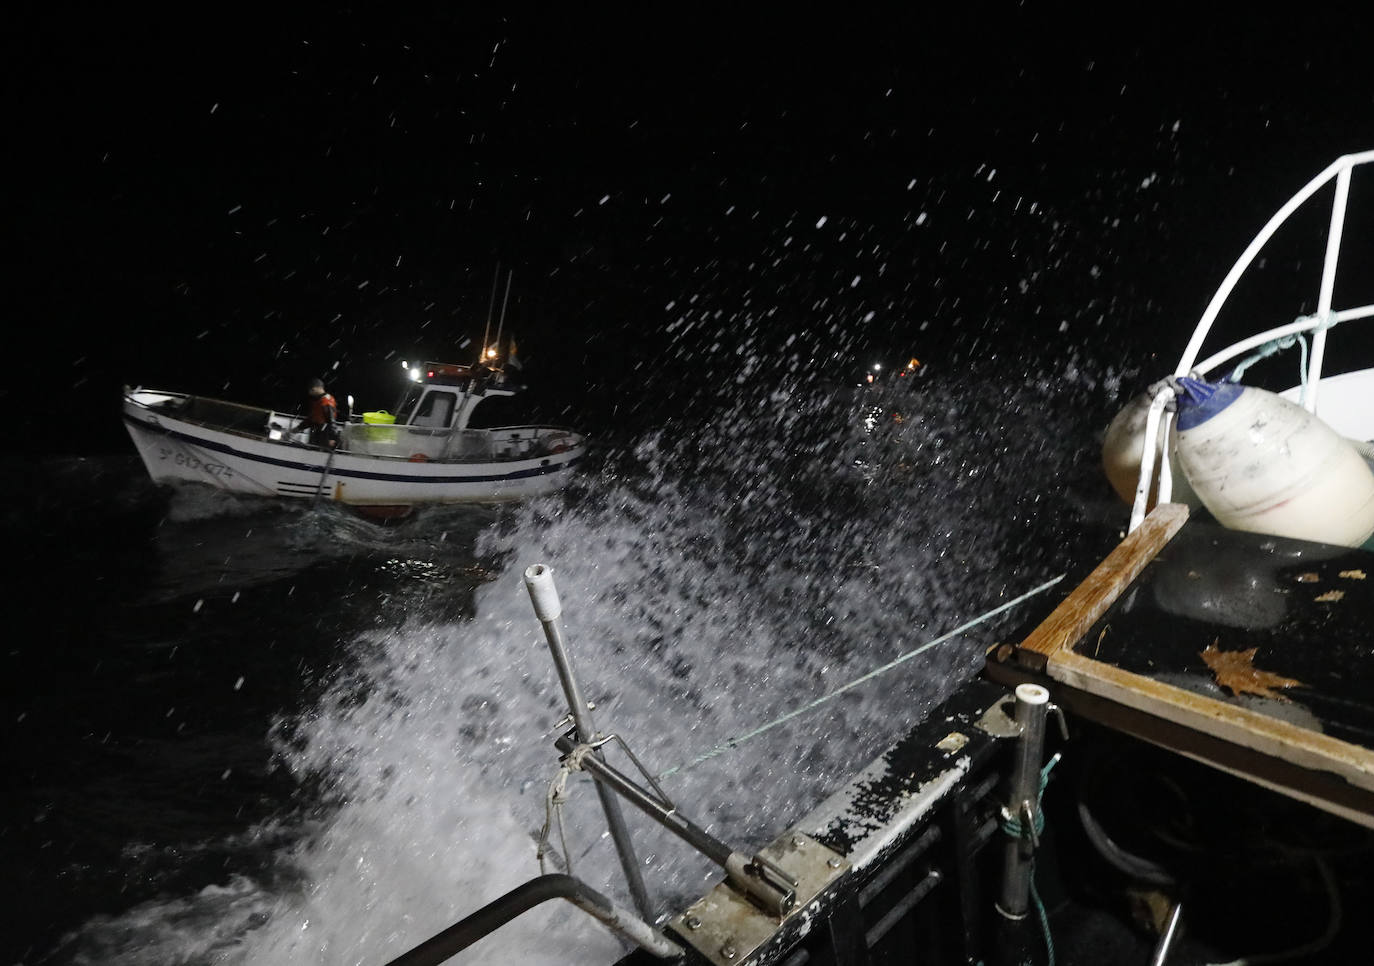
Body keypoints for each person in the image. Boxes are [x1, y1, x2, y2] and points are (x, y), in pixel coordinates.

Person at [297, 377, 340, 448]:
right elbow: (311, 419)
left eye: (311, 390)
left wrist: (333, 438)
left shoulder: (327, 401)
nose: (309, 392)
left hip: (325, 435)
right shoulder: (317, 401)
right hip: (317, 433)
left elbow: (331, 420)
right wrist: (297, 429)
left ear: (316, 388)